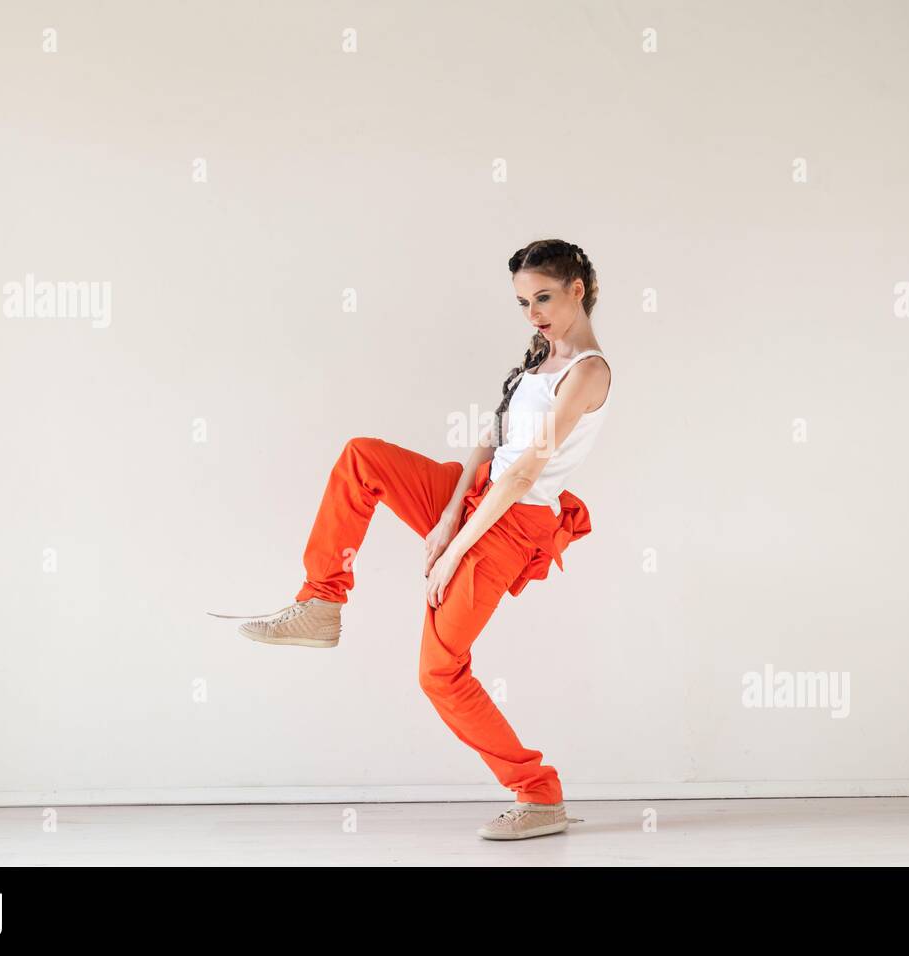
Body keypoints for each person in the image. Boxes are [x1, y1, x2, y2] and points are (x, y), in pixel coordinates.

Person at [216, 239, 612, 840]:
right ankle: (322, 601)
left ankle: (539, 795)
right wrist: (450, 513)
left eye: (544, 298)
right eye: (523, 302)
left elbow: (526, 471)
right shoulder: (540, 357)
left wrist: (454, 551)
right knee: (363, 459)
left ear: (577, 289)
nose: (533, 312)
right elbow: (492, 439)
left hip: (511, 521)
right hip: (474, 495)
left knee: (440, 673)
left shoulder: (589, 371)